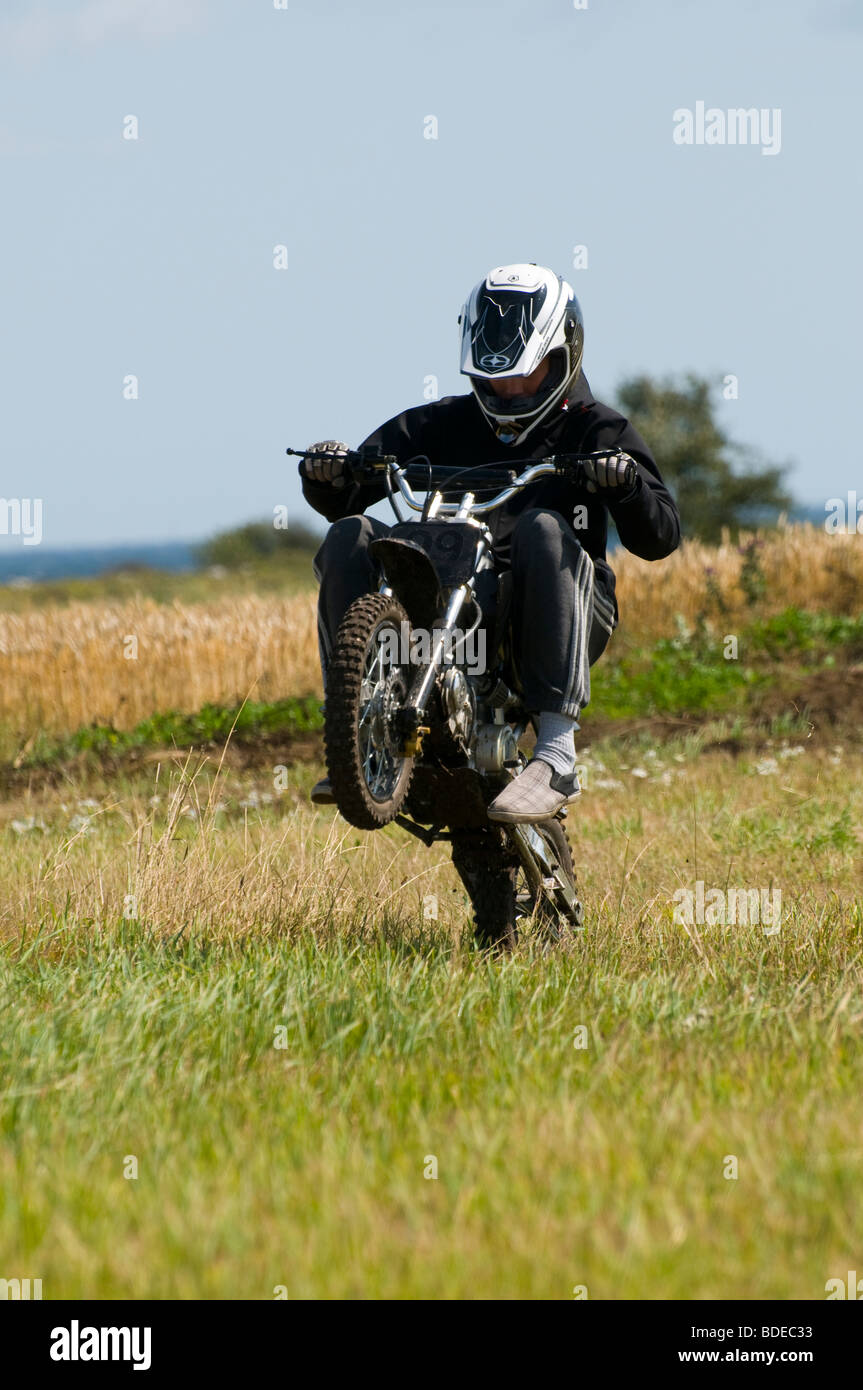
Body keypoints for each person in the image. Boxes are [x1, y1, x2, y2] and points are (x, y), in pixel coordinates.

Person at [299, 263, 680, 823]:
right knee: (349, 536)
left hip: (554, 614)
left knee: (544, 528)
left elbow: (660, 537)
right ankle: (357, 730)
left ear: (562, 356)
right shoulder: (440, 423)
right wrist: (326, 472)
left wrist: (623, 484)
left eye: (527, 374)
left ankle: (556, 753)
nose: (509, 389)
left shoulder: (598, 430)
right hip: (454, 602)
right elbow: (348, 495)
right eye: (495, 377)